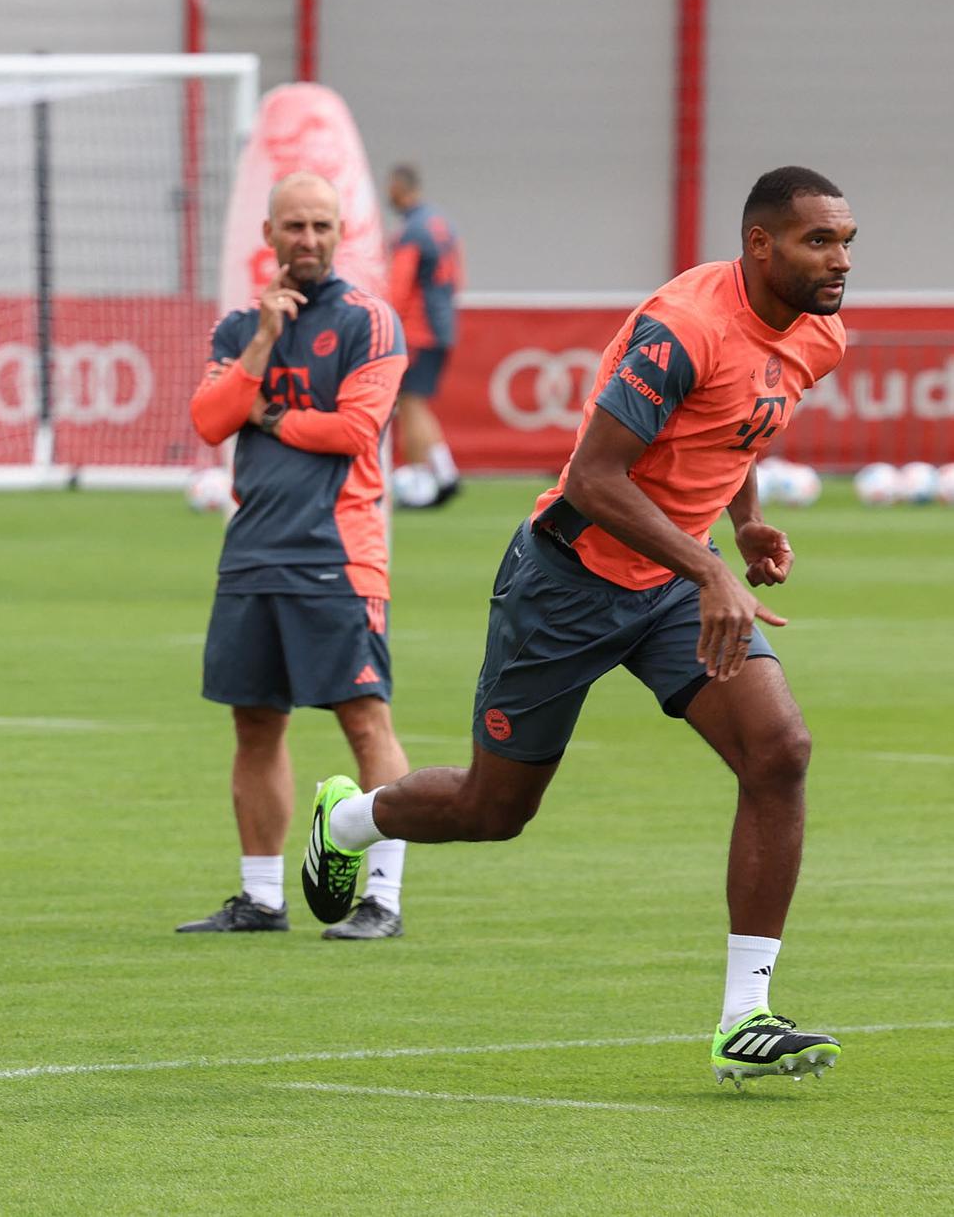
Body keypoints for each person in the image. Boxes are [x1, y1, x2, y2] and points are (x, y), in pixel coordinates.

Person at [306, 167, 853, 1084]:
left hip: (673, 585)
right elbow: (595, 478)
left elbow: (735, 428)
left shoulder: (820, 333)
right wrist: (711, 567)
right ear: (761, 245)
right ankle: (351, 819)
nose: (840, 261)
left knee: (780, 751)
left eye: (846, 242)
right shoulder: (681, 328)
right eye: (819, 242)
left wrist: (746, 522)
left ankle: (744, 1017)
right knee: (494, 811)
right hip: (567, 580)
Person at [182, 173, 411, 942]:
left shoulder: (368, 322)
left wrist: (270, 414)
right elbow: (211, 420)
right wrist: (261, 342)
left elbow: (355, 430)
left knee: (365, 719)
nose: (307, 239)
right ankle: (261, 899)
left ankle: (383, 898)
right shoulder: (238, 329)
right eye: (294, 226)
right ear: (269, 235)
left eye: (320, 225)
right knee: (254, 724)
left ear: (340, 232)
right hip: (252, 553)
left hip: (336, 554)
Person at [382, 164, 464, 508]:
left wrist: (386, 324)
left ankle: (420, 481)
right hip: (441, 324)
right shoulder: (441, 224)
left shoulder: (411, 231)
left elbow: (399, 287)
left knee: (410, 403)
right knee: (416, 402)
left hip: (417, 329)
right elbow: (457, 276)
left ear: (400, 188)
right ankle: (445, 474)